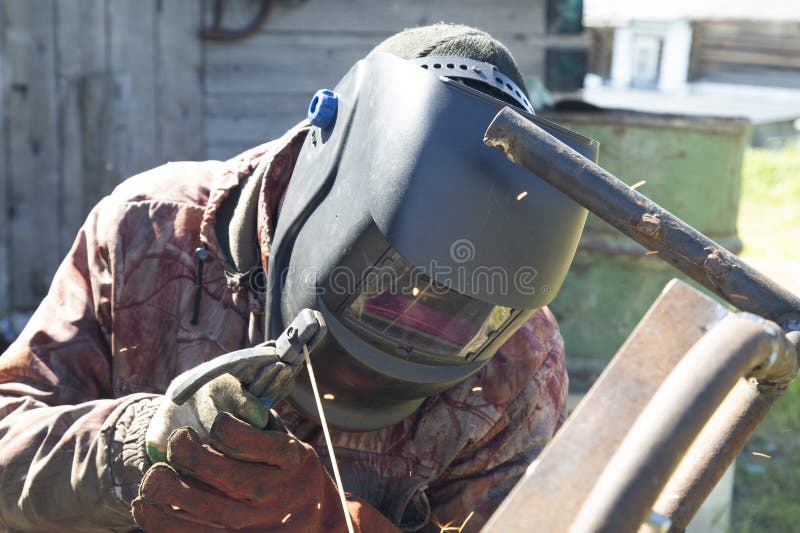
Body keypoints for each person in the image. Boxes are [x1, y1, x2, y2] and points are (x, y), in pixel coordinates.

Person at [0, 24, 573, 532]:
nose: (415, 310)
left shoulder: (516, 364)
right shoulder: (148, 229)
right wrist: (141, 446)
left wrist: (320, 521)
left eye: (452, 311)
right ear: (333, 197)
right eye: (388, 283)